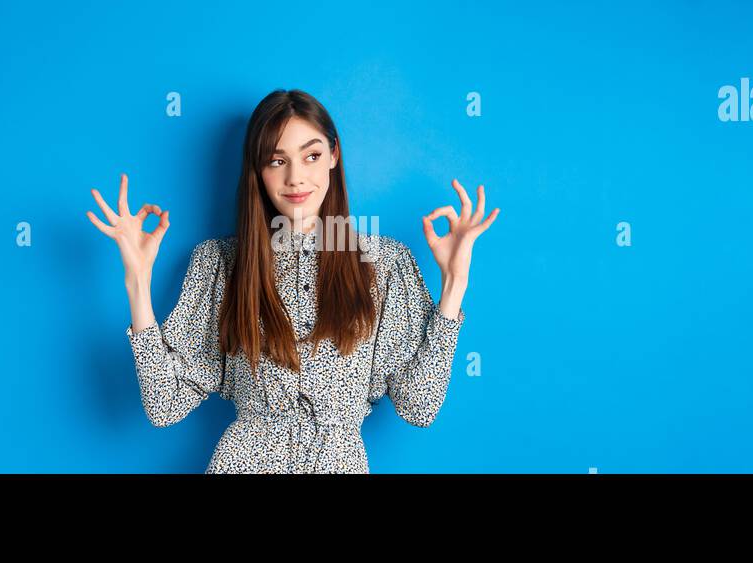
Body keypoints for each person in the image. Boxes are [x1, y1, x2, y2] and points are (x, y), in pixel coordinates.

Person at [86, 89, 499, 473]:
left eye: (312, 155)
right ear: (259, 171)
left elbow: (419, 405)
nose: (296, 178)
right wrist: (137, 282)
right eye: (277, 160)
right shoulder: (220, 263)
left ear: (334, 155)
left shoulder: (383, 262)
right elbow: (164, 405)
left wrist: (454, 285)